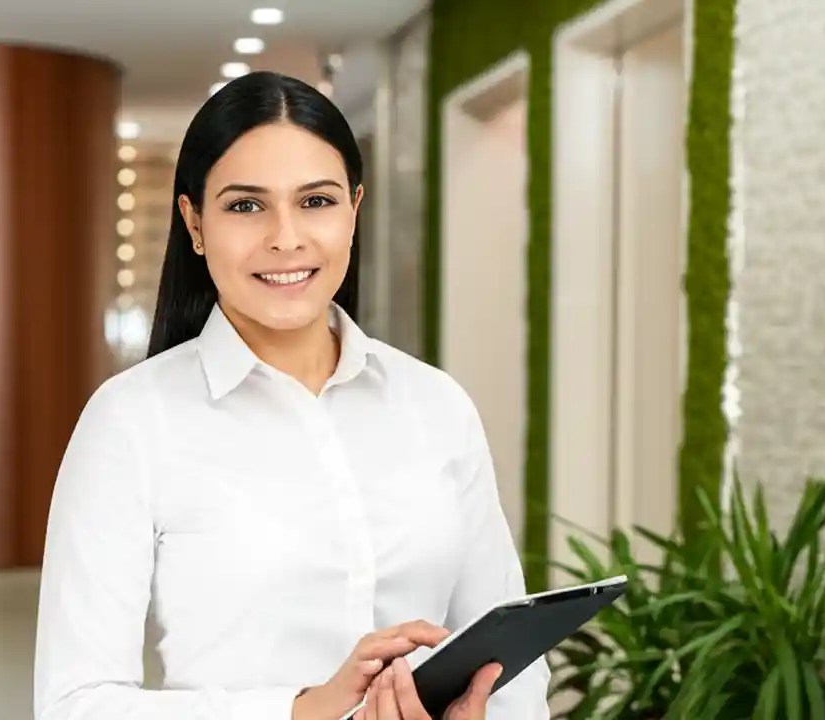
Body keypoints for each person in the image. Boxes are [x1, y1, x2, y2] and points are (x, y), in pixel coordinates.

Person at [33, 71, 550, 720]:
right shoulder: (131, 422)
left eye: (317, 201)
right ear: (194, 223)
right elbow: (75, 705)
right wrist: (305, 710)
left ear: (355, 210)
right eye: (246, 205)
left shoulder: (436, 406)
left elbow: (511, 669)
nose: (286, 237)